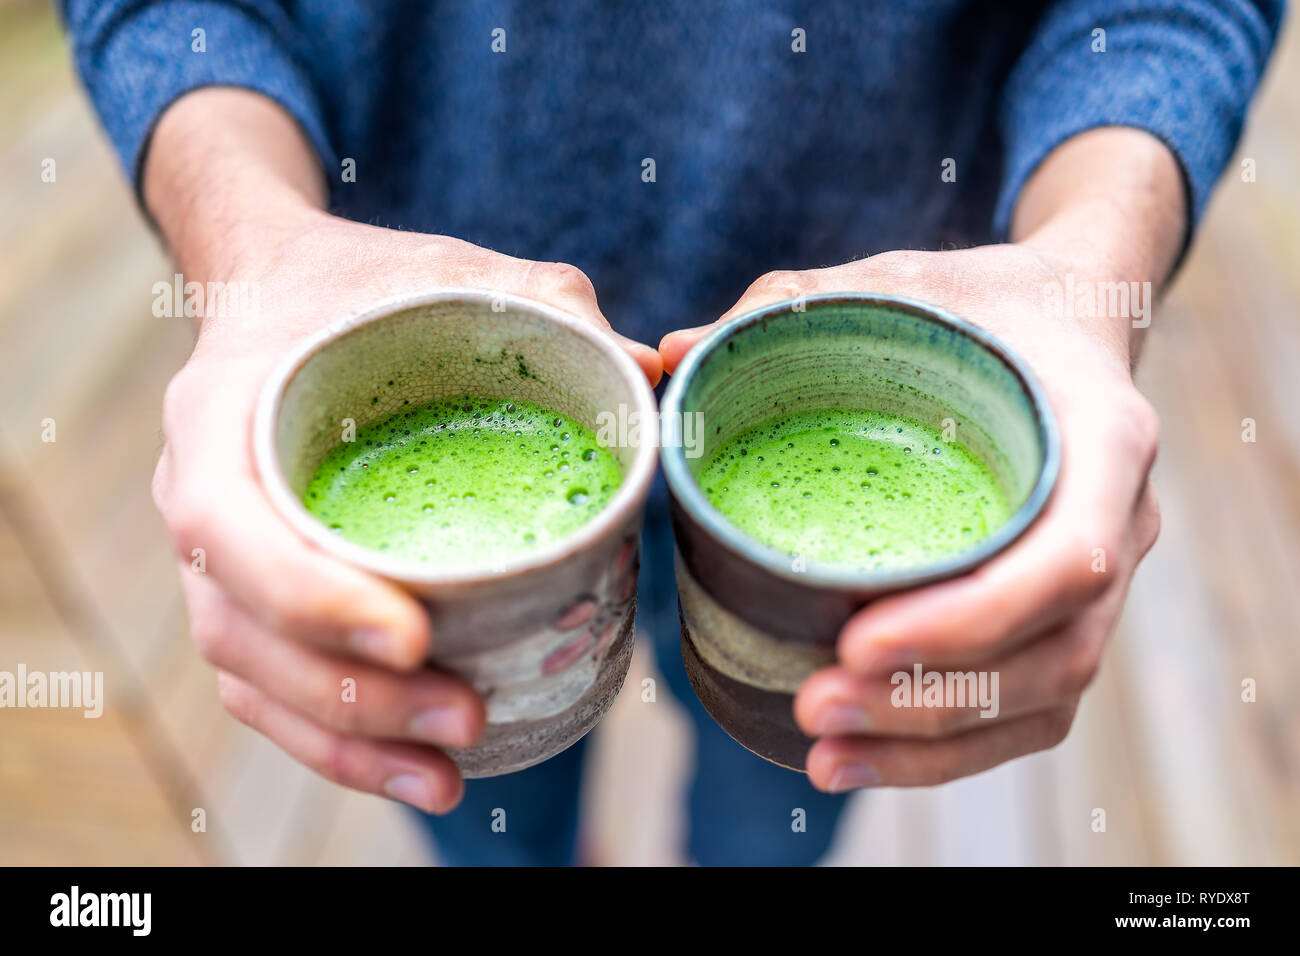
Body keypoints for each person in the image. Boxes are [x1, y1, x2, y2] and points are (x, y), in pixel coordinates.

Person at [62, 1, 1282, 865]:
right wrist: (248, 250)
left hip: (881, 420)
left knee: (773, 816)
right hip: (386, 440)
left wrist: (1086, 268)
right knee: (484, 803)